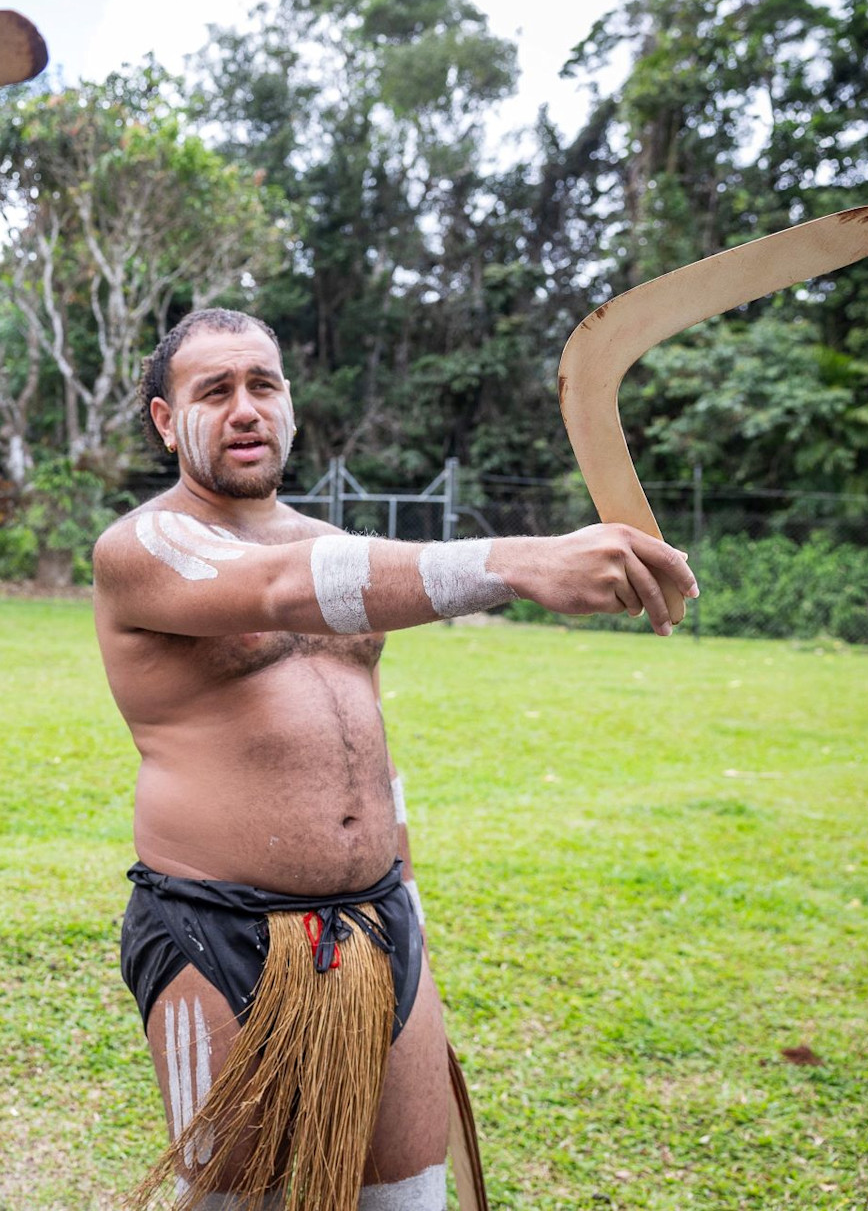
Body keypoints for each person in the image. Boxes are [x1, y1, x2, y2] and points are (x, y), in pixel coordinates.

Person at [93, 308, 698, 1211]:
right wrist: (520, 562)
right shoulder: (142, 548)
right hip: (214, 931)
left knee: (410, 1197)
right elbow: (282, 590)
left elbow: (359, 731)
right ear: (163, 420)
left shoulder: (336, 549)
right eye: (213, 391)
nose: (246, 408)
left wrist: (404, 894)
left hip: (380, 924)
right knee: (232, 1202)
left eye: (263, 384)